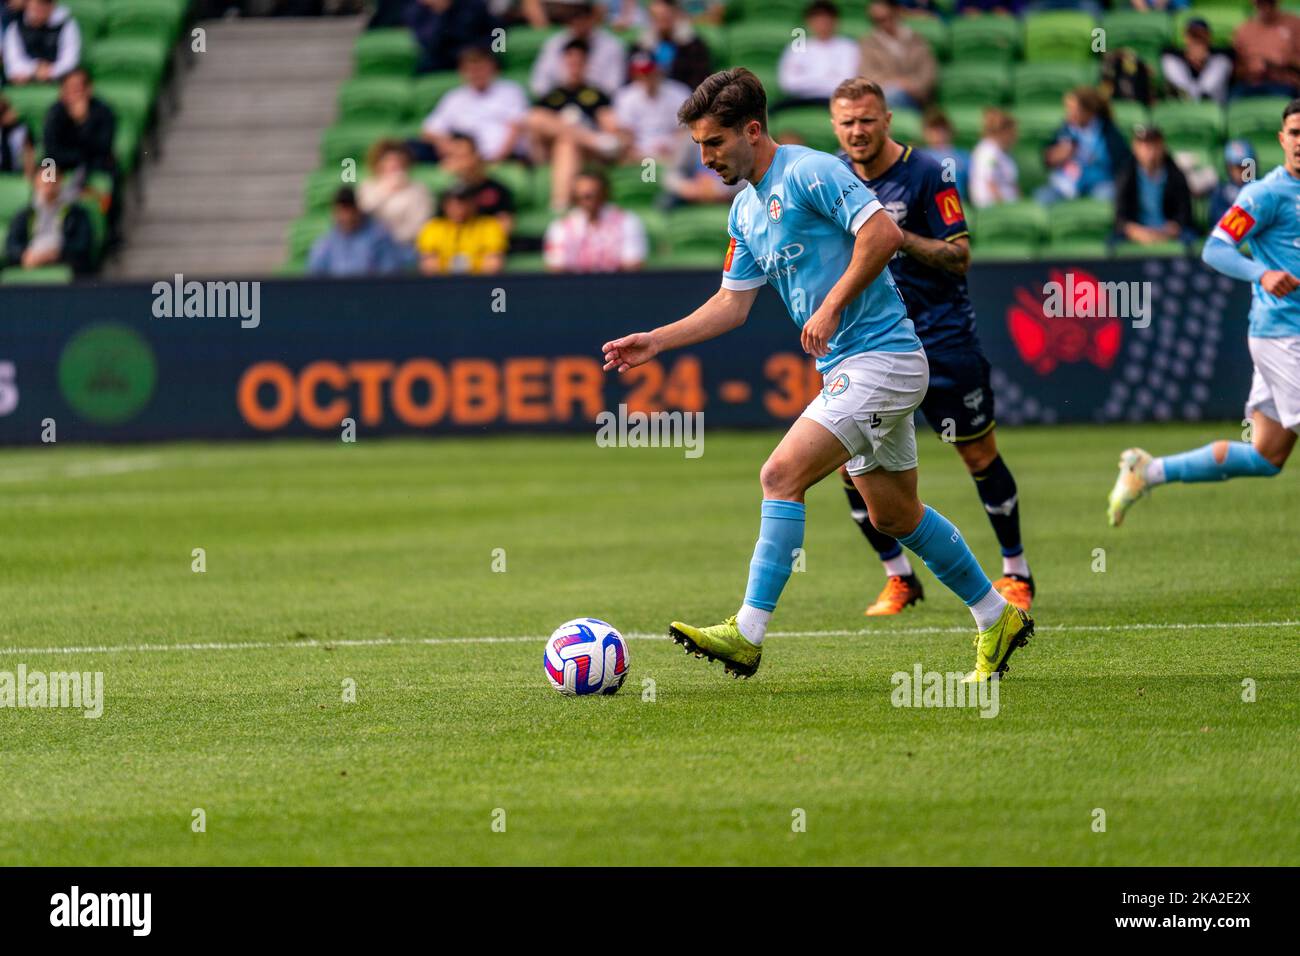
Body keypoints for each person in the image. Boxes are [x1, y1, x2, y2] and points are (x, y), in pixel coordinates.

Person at [601, 69, 1033, 682]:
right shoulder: (744, 211)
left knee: (779, 473)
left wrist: (829, 305)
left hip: (883, 359)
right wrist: (656, 341)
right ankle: (998, 617)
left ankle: (747, 633)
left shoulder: (810, 170)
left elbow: (882, 233)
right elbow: (733, 303)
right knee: (895, 516)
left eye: (715, 142)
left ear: (753, 130)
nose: (705, 158)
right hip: (851, 368)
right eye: (699, 146)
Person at [828, 77, 1035, 616]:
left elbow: (959, 255)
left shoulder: (927, 173)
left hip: (941, 340)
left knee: (978, 453)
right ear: (835, 125)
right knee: (848, 461)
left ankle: (1016, 571)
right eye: (847, 122)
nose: (857, 131)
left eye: (867, 119)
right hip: (870, 345)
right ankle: (899, 578)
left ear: (887, 120)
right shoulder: (830, 177)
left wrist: (897, 238)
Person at [1109, 100, 1300, 525]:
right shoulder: (1265, 194)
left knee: (1267, 455)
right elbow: (1216, 249)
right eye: (1295, 133)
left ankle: (1149, 470)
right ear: (1282, 139)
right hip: (1284, 335)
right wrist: (1261, 273)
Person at [525, 38, 625, 211]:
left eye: (579, 62)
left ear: (586, 64)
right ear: (563, 64)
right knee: (536, 118)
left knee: (568, 143)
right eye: (570, 62)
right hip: (550, 151)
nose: (574, 66)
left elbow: (611, 126)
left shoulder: (597, 94)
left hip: (588, 154)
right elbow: (535, 128)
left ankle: (560, 206)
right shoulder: (551, 96)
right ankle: (592, 139)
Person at [419, 46, 528, 164]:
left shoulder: (510, 91)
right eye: (471, 69)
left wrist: (496, 159)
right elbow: (429, 131)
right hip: (466, 158)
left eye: (481, 68)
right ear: (462, 72)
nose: (476, 73)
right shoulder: (454, 98)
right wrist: (449, 147)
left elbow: (517, 127)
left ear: (492, 67)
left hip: (506, 157)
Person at [1037, 86, 1131, 204]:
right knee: (1043, 197)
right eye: (1068, 109)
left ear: (1089, 112)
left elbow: (1123, 162)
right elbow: (1048, 157)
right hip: (1067, 183)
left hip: (1099, 183)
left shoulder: (1108, 132)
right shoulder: (1065, 129)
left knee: (1108, 196)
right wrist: (1055, 156)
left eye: (1074, 109)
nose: (1069, 114)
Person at [544, 169, 646, 271]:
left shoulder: (627, 221)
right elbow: (556, 267)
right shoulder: (561, 226)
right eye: (582, 196)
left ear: (605, 194)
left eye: (593, 195)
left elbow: (633, 265)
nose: (588, 202)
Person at [4, 163, 93, 274]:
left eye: (53, 177)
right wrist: (24, 256)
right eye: (45, 178)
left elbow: (81, 245)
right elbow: (11, 245)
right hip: (30, 263)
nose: (49, 182)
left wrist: (53, 255)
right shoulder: (24, 215)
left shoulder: (76, 214)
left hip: (64, 265)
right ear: (36, 182)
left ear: (60, 180)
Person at [1114, 124, 1194, 247]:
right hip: (1138, 232)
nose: (1150, 151)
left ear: (1162, 146)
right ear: (1135, 147)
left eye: (1154, 144)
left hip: (1170, 231)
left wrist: (1170, 229)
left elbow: (1184, 214)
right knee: (1113, 243)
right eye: (1144, 145)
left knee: (1190, 238)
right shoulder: (1126, 175)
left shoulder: (1176, 175)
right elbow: (1121, 217)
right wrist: (1136, 231)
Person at [529, 1, 626, 97]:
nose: (577, 19)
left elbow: (613, 87)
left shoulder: (611, 46)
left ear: (594, 14)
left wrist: (582, 83)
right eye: (572, 14)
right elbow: (539, 85)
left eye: (583, 13)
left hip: (596, 103)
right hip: (561, 103)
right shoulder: (554, 44)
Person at [307, 187, 410, 277]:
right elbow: (316, 278)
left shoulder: (379, 238)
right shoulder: (325, 245)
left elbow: (390, 273)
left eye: (350, 210)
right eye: (342, 211)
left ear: (357, 209)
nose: (346, 216)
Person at [776, 0, 861, 106]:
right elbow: (788, 83)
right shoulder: (796, 47)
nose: (822, 24)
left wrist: (807, 79)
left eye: (826, 20)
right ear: (808, 22)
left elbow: (847, 82)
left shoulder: (849, 47)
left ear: (835, 21)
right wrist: (826, 78)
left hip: (835, 100)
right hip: (800, 99)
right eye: (817, 20)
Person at [858, 0, 937, 111]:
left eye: (887, 17)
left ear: (896, 12)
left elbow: (928, 72)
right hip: (884, 95)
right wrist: (897, 83)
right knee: (892, 96)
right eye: (877, 20)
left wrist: (912, 85)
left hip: (916, 97)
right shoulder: (868, 43)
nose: (883, 23)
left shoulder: (916, 39)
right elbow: (867, 75)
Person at [612, 50, 692, 160]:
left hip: (673, 149)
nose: (645, 77)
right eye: (640, 73)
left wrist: (670, 145)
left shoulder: (679, 92)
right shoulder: (625, 96)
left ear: (658, 70)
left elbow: (685, 130)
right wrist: (638, 150)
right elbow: (626, 132)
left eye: (648, 72)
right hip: (638, 152)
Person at [415, 182, 507, 274]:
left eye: (464, 203)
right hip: (442, 283)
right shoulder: (433, 227)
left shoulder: (489, 226)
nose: (459, 208)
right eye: (453, 204)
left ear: (473, 204)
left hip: (479, 282)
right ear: (444, 205)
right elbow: (429, 263)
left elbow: (493, 263)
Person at [439, 132, 516, 236]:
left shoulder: (497, 190)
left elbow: (505, 226)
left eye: (463, 156)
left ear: (476, 156)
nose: (460, 162)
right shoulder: (449, 193)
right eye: (454, 157)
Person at [358, 139, 434, 245]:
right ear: (379, 164)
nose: (394, 165)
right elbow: (361, 214)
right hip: (369, 243)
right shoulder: (368, 186)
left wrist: (392, 240)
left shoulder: (418, 190)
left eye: (398, 160)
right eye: (388, 160)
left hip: (403, 245)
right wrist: (385, 191)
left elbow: (420, 224)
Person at [634, 0, 712, 91]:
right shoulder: (642, 46)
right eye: (657, 17)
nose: (662, 22)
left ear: (676, 15)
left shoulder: (693, 45)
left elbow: (700, 77)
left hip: (685, 95)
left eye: (665, 17)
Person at [403, 0, 498, 74]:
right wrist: (440, 12)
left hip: (476, 55)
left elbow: (497, 30)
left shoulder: (473, 4)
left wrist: (482, 50)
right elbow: (430, 45)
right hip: (440, 64)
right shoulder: (417, 11)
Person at [1231, 0, 1300, 98]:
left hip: (1285, 83)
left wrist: (1285, 61)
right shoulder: (1243, 29)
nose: (1265, 5)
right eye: (1260, 2)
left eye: (1269, 2)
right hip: (1250, 84)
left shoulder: (1295, 24)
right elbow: (1235, 69)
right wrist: (1251, 68)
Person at [1, 0, 80, 84]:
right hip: (24, 79)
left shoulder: (67, 24)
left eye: (45, 5)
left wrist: (51, 71)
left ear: (52, 5)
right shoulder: (15, 26)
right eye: (36, 6)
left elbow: (70, 60)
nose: (40, 9)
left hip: (59, 78)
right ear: (28, 5)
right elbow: (12, 63)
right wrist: (34, 69)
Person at [1161, 17, 1234, 105]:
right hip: (1184, 102)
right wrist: (1190, 58)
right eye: (1193, 36)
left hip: (1212, 104)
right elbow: (1165, 52)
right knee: (1168, 61)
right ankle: (1193, 98)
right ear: (1185, 38)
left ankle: (1198, 98)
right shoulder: (1174, 56)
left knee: (1222, 62)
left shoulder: (1220, 56)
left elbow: (1231, 54)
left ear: (1209, 37)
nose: (1196, 41)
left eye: (1201, 36)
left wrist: (1204, 60)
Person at [969, 107, 1019, 208]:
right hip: (994, 209)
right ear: (1004, 132)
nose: (1016, 136)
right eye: (1012, 132)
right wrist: (1005, 208)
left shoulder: (1002, 151)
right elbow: (990, 183)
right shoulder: (988, 151)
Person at [918, 107, 970, 200]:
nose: (938, 134)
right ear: (925, 133)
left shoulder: (963, 156)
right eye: (933, 129)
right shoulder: (919, 157)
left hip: (958, 206)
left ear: (950, 131)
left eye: (942, 129)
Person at [1208, 139, 1255, 226]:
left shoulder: (1259, 189)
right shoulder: (1221, 192)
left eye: (1244, 167)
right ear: (1228, 168)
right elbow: (1217, 218)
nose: (1240, 171)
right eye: (1236, 167)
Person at [0, 93, 35, 177]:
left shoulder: (22, 129)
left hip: (16, 173)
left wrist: (28, 176)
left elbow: (29, 154)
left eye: (6, 110)